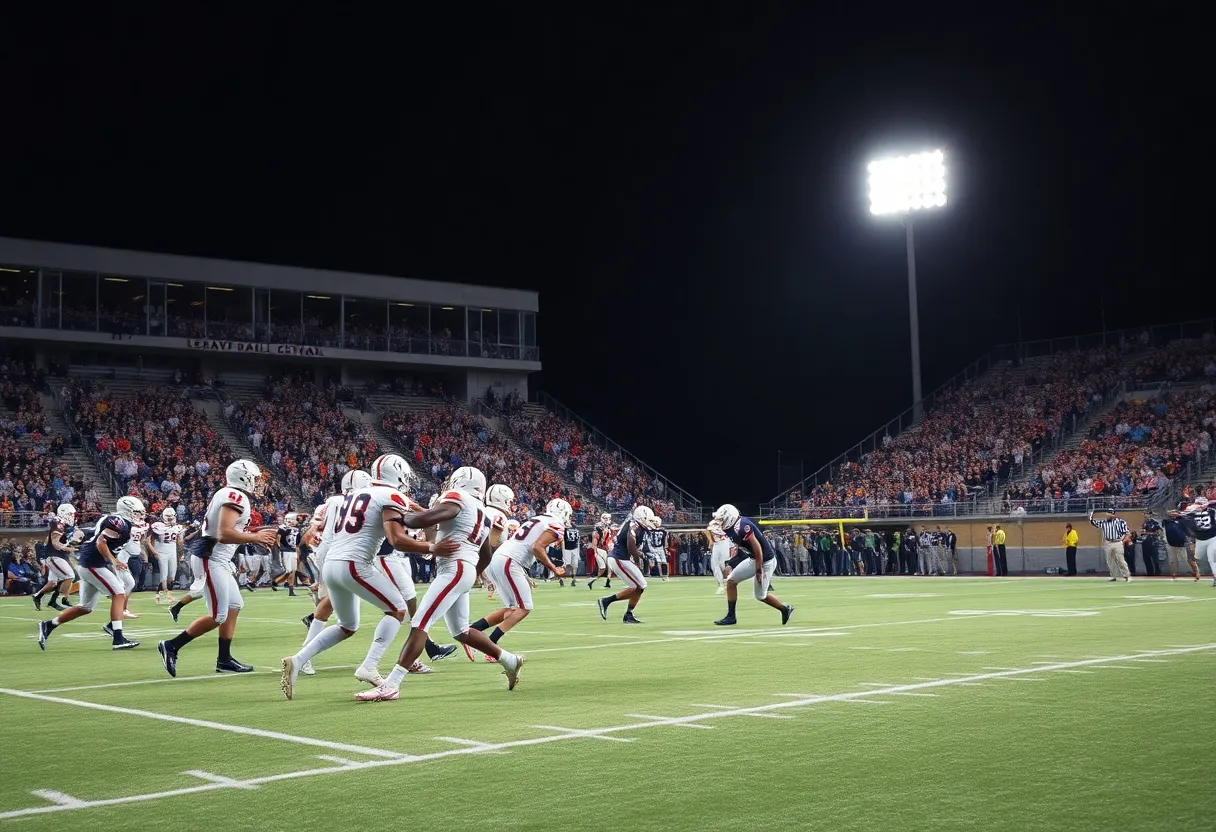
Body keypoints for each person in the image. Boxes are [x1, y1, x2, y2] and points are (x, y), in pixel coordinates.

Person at [279, 455, 456, 698]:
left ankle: (298, 660)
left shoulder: (353, 495)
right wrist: (432, 547)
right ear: (399, 475)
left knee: (347, 625)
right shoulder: (390, 496)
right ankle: (369, 666)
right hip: (355, 563)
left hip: (332, 564)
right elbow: (396, 540)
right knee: (396, 609)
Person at [355, 466, 525, 701]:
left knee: (420, 623)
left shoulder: (457, 498)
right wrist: (472, 574)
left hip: (453, 569)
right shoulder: (483, 511)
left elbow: (419, 520)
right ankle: (509, 660)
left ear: (460, 481)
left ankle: (391, 684)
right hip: (463, 569)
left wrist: (402, 512)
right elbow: (486, 554)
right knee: (461, 631)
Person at [157, 460, 279, 677]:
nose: (258, 482)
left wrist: (254, 532)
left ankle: (224, 659)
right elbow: (224, 533)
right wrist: (255, 537)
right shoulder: (236, 496)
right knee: (218, 615)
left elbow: (227, 529)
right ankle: (171, 646)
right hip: (211, 558)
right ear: (244, 477)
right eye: (255, 477)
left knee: (234, 605)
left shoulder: (229, 494)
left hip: (218, 559)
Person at [37, 496, 146, 650]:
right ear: (127, 511)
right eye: (137, 512)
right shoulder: (119, 522)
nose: (140, 515)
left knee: (85, 607)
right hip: (93, 564)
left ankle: (48, 625)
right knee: (119, 593)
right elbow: (101, 541)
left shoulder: (121, 522)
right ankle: (118, 637)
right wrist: (114, 561)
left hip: (92, 563)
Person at [472, 498, 571, 658]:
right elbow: (536, 547)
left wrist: (524, 574)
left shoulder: (538, 519)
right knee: (524, 608)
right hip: (509, 561)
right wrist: (553, 569)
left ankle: (472, 631)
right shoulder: (555, 524)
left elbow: (529, 546)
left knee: (512, 608)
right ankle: (490, 646)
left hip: (500, 558)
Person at [710, 504, 794, 627]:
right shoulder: (731, 527)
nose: (720, 522)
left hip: (765, 561)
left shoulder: (743, 526)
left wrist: (759, 571)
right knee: (731, 581)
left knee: (760, 596)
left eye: (722, 519)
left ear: (729, 518)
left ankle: (785, 609)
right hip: (753, 559)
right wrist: (732, 563)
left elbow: (758, 549)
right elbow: (744, 549)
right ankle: (731, 616)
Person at [596, 505, 654, 624]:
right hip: (619, 558)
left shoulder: (635, 524)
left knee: (640, 586)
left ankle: (628, 614)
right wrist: (642, 557)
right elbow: (631, 548)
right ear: (641, 518)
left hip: (622, 558)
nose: (649, 522)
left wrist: (638, 560)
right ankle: (606, 601)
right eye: (648, 519)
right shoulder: (633, 526)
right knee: (638, 586)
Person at [32, 503, 77, 611]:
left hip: (59, 555)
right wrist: (68, 548)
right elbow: (55, 542)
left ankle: (38, 596)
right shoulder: (57, 522)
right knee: (69, 576)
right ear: (64, 513)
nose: (73, 516)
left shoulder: (68, 525)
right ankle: (62, 599)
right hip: (54, 556)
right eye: (70, 513)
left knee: (53, 582)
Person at [1176, 497, 1216, 586]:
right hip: (1200, 539)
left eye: (1199, 504)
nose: (1197, 506)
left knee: (1212, 559)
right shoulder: (1193, 513)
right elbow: (1182, 515)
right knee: (1199, 558)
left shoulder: (1212, 511)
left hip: (1213, 537)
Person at [149, 507, 185, 603]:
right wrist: (153, 551)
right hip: (161, 550)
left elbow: (180, 542)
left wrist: (180, 552)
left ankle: (161, 594)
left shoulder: (178, 527)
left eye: (171, 516)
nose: (169, 518)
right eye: (167, 516)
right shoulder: (158, 525)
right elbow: (150, 539)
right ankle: (165, 595)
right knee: (163, 575)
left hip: (172, 551)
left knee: (172, 576)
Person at [1089, 508, 1131, 583]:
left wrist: (1123, 541)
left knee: (1120, 559)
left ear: (1113, 514)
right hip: (1108, 542)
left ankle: (1126, 575)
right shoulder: (1104, 522)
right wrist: (1091, 516)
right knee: (1110, 561)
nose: (1108, 515)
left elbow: (1127, 533)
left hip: (1117, 541)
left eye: (1110, 513)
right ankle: (1113, 576)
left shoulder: (1121, 522)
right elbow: (1094, 523)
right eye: (1107, 513)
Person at [1163, 502, 1200, 582]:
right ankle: (1174, 575)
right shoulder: (1167, 521)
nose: (1173, 513)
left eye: (1175, 512)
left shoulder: (1182, 520)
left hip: (1184, 542)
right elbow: (1165, 514)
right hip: (1172, 543)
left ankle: (1196, 573)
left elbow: (1189, 520)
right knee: (1173, 560)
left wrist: (1180, 515)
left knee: (1190, 559)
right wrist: (1170, 512)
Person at [586, 513, 613, 590]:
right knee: (603, 568)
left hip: (606, 549)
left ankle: (607, 582)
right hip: (600, 550)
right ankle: (592, 581)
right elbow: (595, 544)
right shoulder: (596, 533)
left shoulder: (608, 530)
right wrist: (595, 553)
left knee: (609, 566)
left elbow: (610, 540)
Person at [705, 518, 733, 593]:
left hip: (725, 542)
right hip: (716, 544)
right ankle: (720, 585)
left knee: (724, 565)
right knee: (714, 565)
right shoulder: (713, 522)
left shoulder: (728, 522)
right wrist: (710, 540)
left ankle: (729, 583)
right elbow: (707, 531)